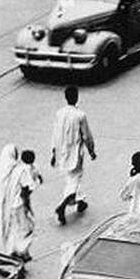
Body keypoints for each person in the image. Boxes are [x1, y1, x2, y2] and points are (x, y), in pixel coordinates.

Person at [50, 86, 96, 225]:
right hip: (75, 153)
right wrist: (91, 151)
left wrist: (53, 152)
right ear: (76, 97)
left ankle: (80, 201)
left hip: (63, 152)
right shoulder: (80, 115)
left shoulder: (59, 113)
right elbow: (87, 136)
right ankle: (62, 207)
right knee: (74, 180)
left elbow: (55, 133)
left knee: (71, 179)